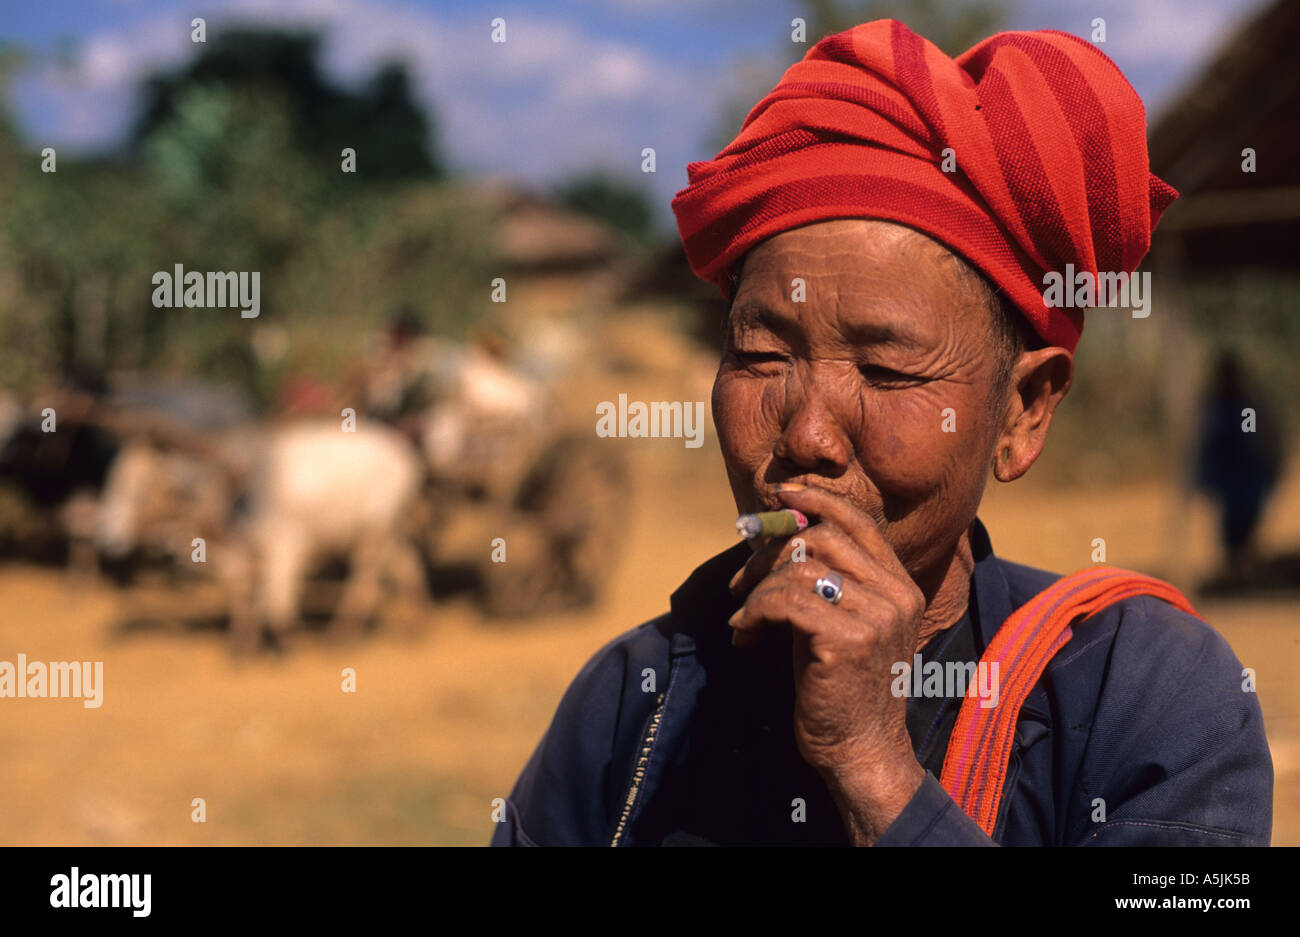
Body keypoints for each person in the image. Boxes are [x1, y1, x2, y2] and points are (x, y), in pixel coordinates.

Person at [492, 21, 1272, 846]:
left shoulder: (1152, 694)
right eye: (760, 353)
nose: (808, 436)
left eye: (888, 373)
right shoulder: (636, 702)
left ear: (1024, 410)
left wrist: (873, 768)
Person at [1194, 352, 1283, 584]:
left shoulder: (1248, 405)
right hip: (1230, 478)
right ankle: (1237, 570)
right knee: (1232, 528)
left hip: (1248, 476)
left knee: (1245, 523)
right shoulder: (1214, 406)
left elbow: (1259, 438)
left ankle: (1243, 569)